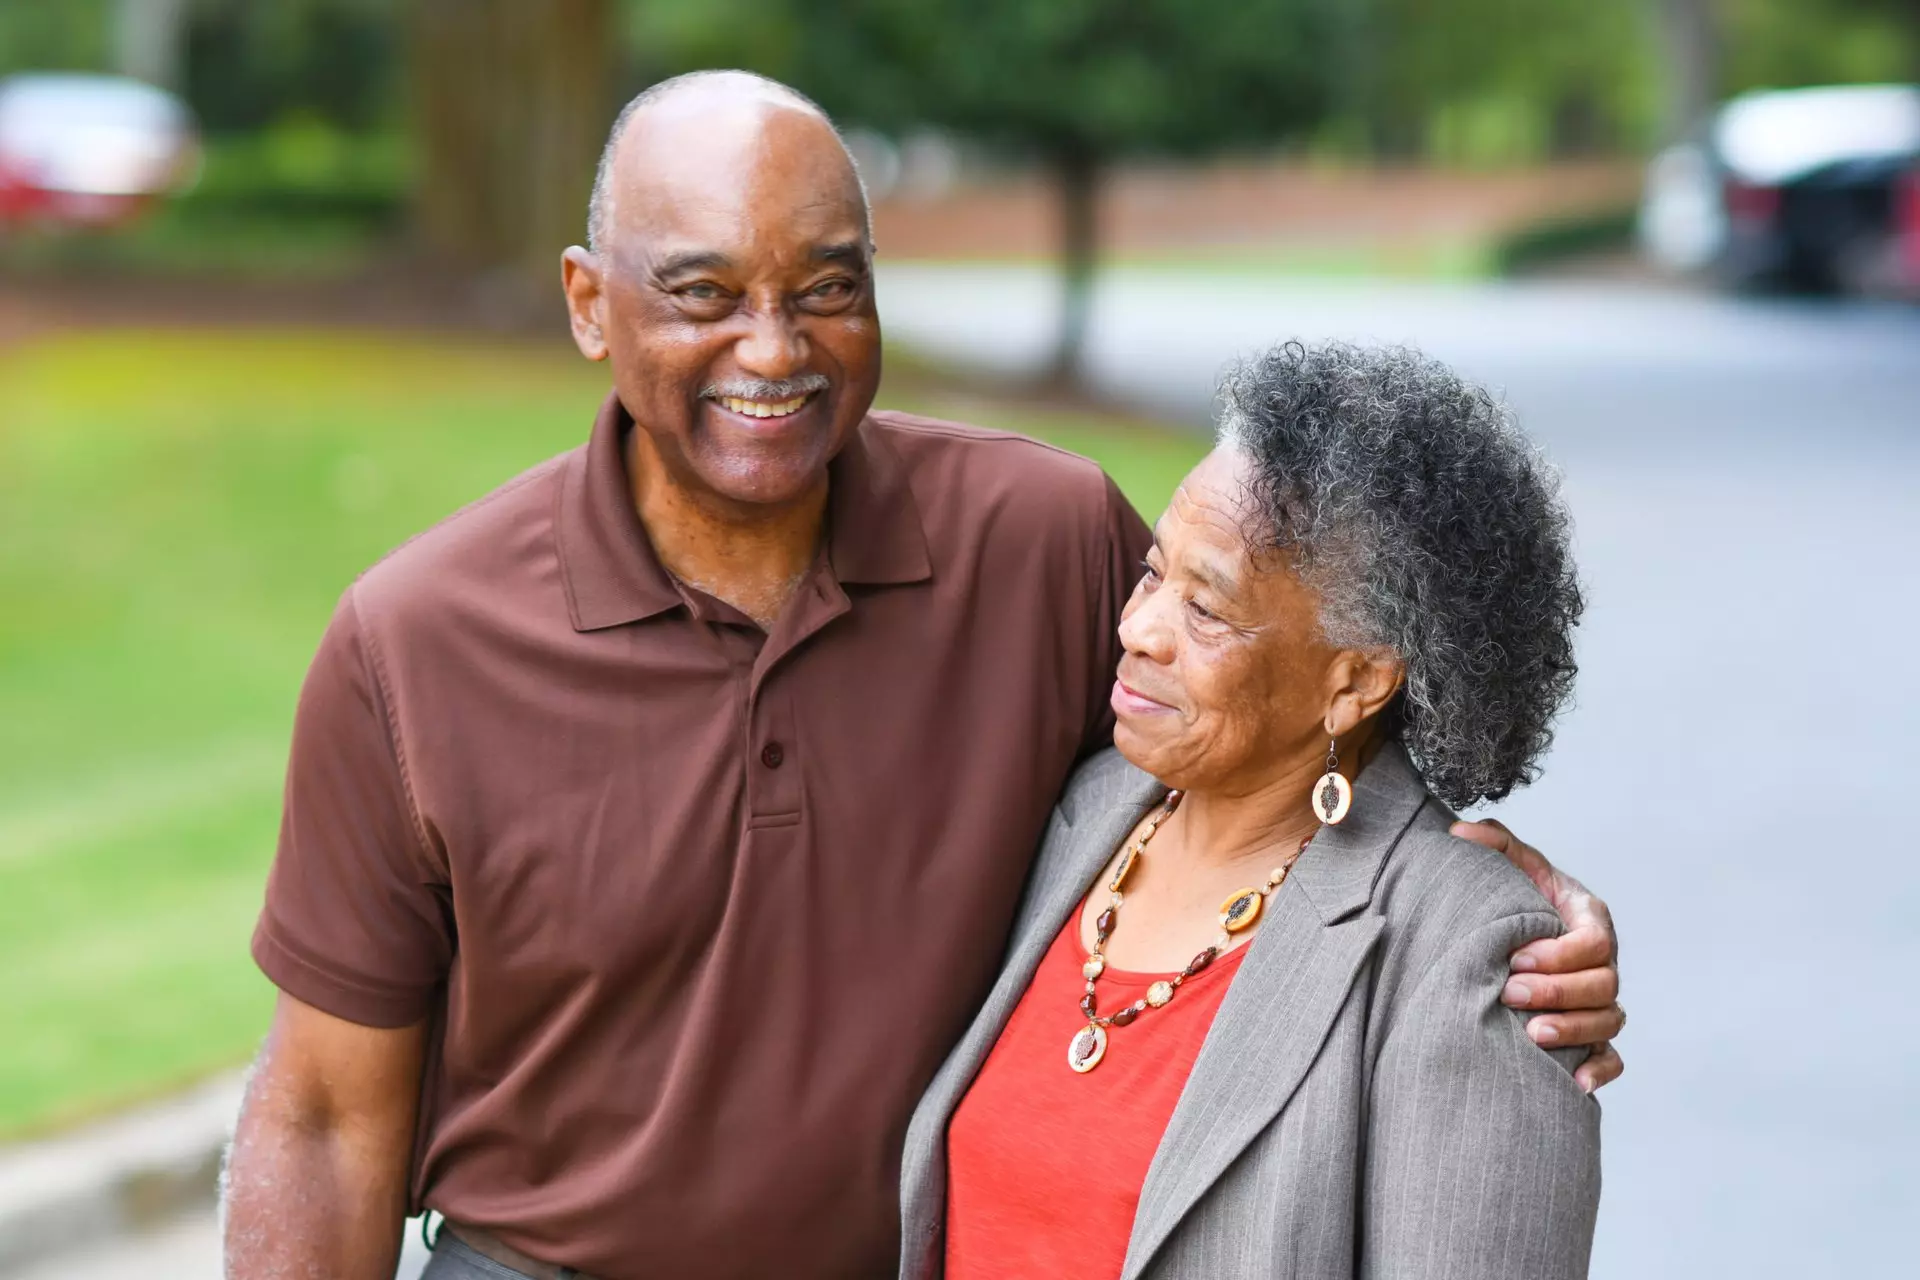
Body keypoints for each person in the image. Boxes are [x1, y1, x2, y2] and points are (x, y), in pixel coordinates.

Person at [222, 74, 1624, 1280]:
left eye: (827, 289)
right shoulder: (415, 640)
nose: (773, 350)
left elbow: (1276, 713)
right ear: (591, 305)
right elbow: (326, 1118)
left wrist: (1494, 908)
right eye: (702, 294)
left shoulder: (1047, 545)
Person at [899, 341, 1603, 1280]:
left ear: (1354, 681)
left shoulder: (1468, 955)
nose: (1137, 630)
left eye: (1209, 611)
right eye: (1155, 573)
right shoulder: (1078, 813)